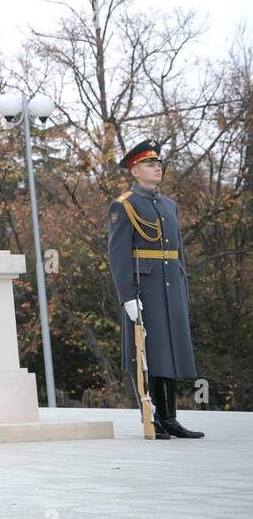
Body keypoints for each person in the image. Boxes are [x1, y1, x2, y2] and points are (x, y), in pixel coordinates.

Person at [108, 139, 203, 439]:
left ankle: (170, 418)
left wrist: (182, 286)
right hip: (145, 289)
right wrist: (127, 295)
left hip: (170, 287)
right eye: (150, 164)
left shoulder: (169, 205)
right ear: (135, 171)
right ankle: (151, 419)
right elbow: (118, 253)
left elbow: (178, 252)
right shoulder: (124, 205)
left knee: (170, 351)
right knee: (146, 353)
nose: (157, 167)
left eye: (159, 163)